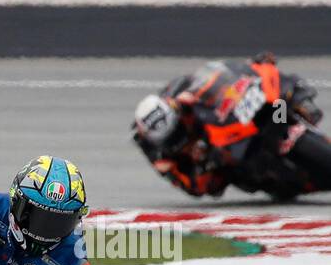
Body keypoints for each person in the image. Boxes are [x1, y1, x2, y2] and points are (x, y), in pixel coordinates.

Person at [132, 52, 329, 197]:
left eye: (177, 129)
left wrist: (247, 71)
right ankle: (294, 182)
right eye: (172, 136)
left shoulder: (178, 93)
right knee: (251, 174)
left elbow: (213, 78)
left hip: (237, 121)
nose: (178, 136)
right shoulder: (159, 156)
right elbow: (194, 187)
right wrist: (205, 165)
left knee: (282, 92)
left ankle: (296, 102)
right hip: (225, 155)